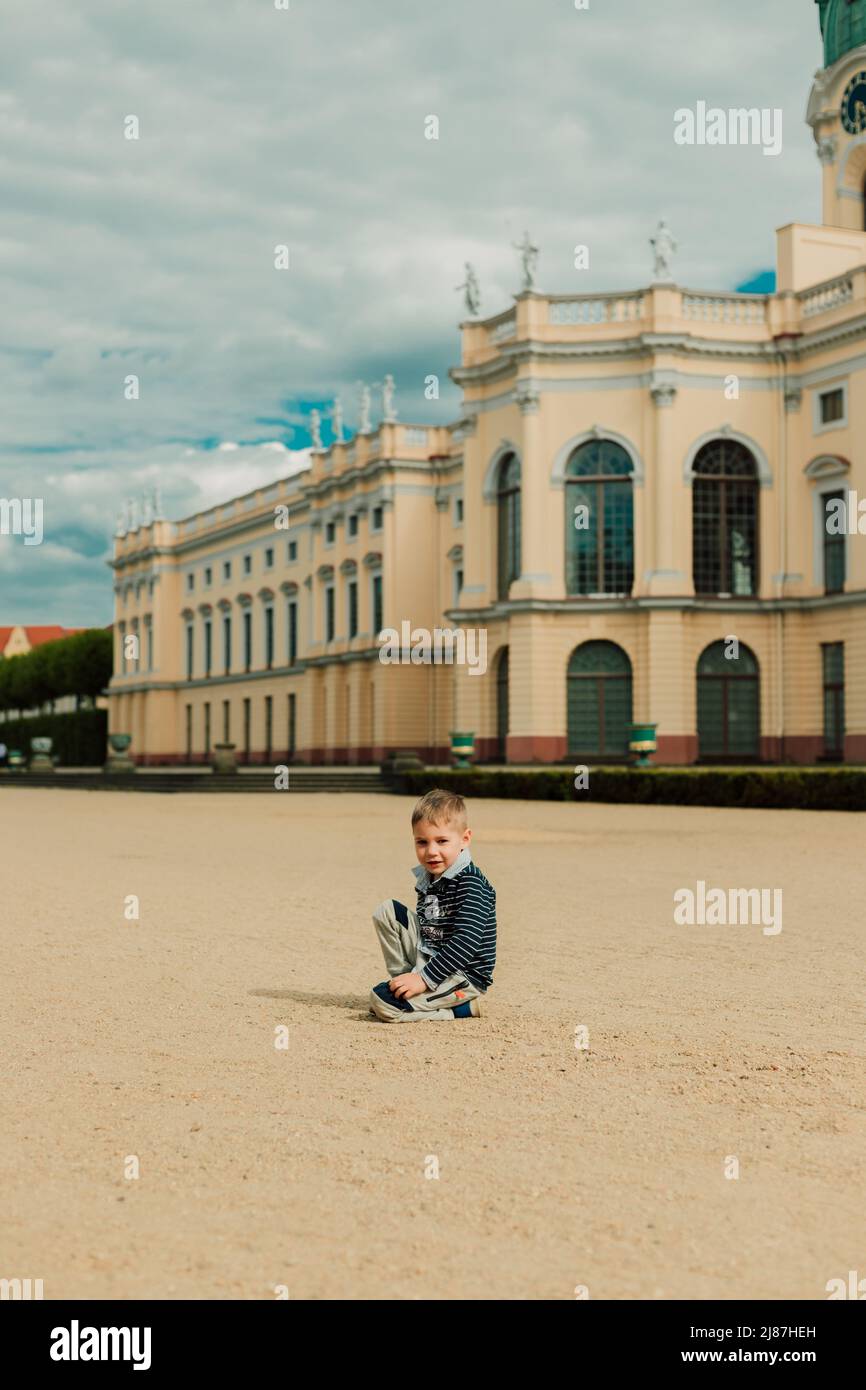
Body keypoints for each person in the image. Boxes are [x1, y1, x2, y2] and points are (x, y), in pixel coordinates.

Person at [369, 788, 496, 1022]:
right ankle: (403, 982)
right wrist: (415, 976)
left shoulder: (471, 883)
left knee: (383, 1005)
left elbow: (466, 942)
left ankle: (458, 1009)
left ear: (464, 839)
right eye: (422, 842)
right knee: (388, 910)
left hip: (462, 973)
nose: (431, 852)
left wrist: (424, 979)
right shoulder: (430, 878)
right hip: (433, 955)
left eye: (442, 841)